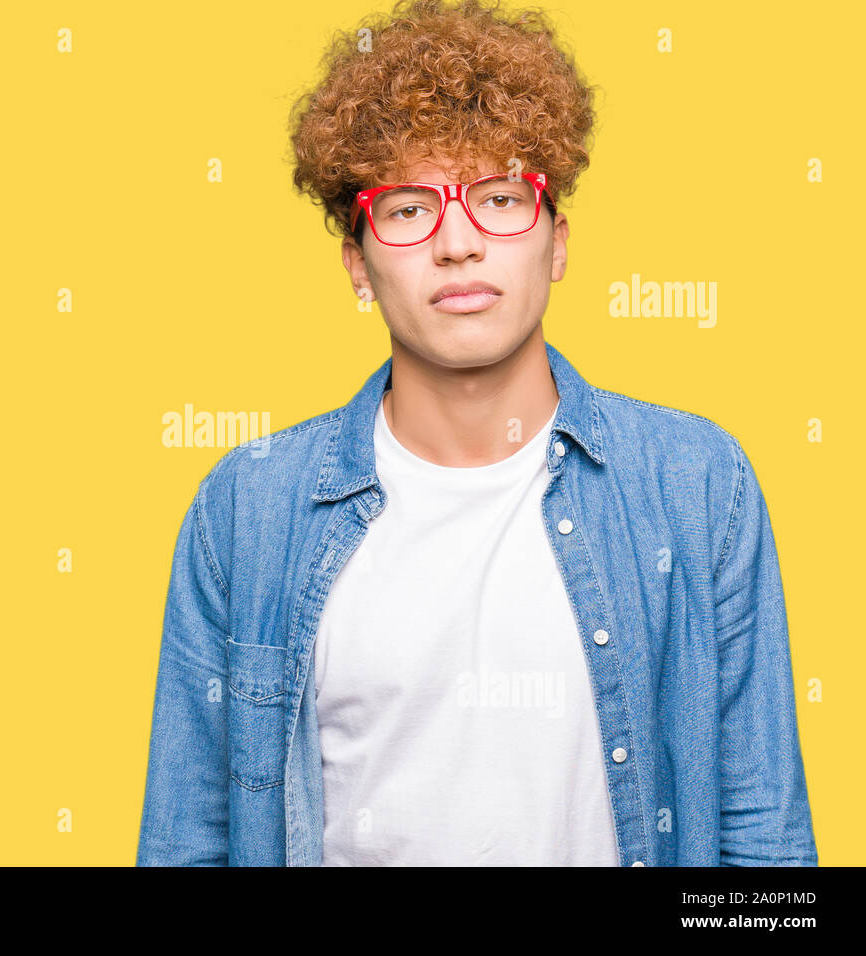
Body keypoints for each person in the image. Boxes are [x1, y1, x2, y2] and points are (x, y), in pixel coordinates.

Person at [135, 0, 816, 866]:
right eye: (409, 209)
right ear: (358, 263)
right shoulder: (248, 508)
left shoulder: (695, 483)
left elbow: (765, 842)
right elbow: (188, 842)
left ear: (557, 243)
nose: (458, 243)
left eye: (500, 198)